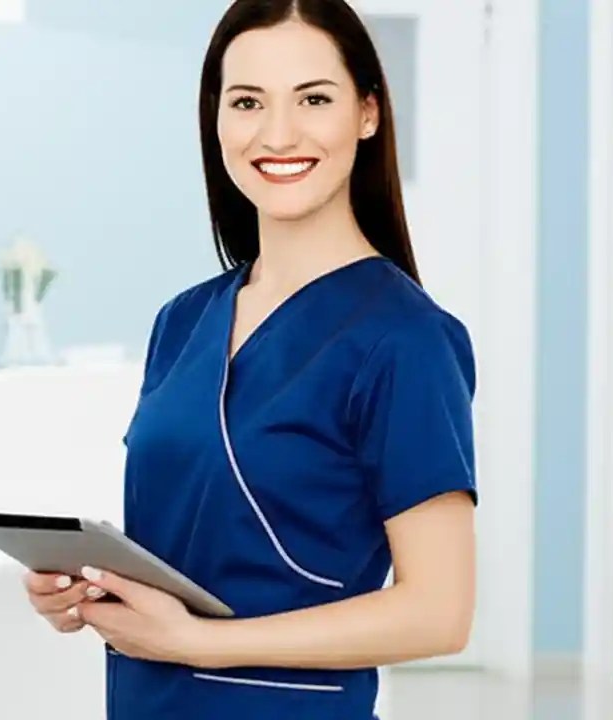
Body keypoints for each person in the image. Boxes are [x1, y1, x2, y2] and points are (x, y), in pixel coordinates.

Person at [24, 1, 477, 717]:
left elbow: (439, 613)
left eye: (314, 99)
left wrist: (195, 643)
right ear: (217, 120)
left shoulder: (405, 340)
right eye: (247, 102)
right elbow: (193, 550)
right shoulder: (183, 320)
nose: (278, 133)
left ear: (367, 113)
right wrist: (93, 594)